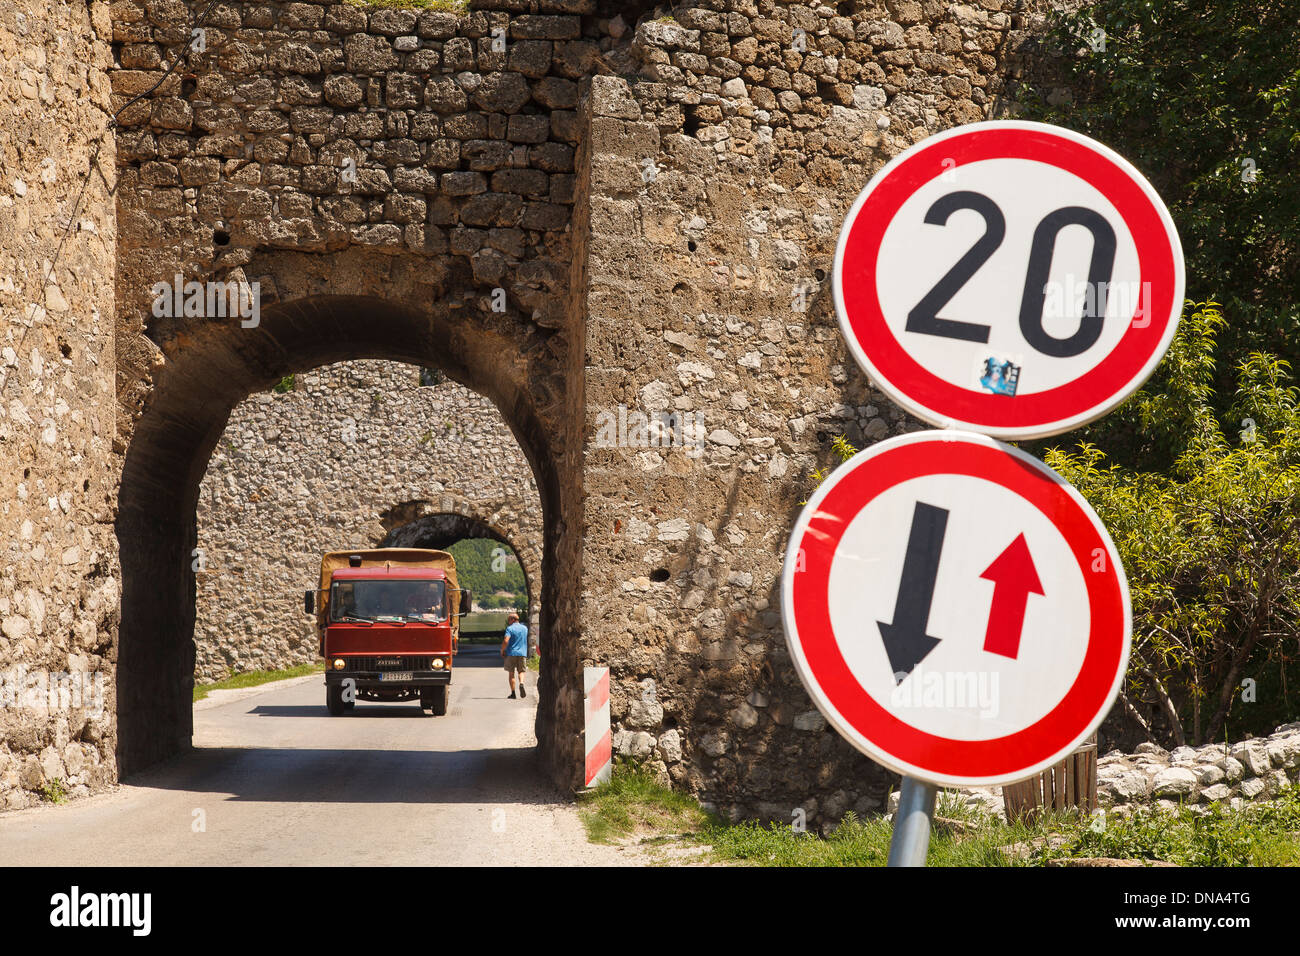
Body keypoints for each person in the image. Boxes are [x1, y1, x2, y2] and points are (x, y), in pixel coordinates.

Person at [500, 612, 529, 699]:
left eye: (509, 620)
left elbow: (506, 640)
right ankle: (521, 683)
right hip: (522, 653)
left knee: (511, 674)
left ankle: (513, 693)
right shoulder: (525, 628)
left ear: (512, 620)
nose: (508, 622)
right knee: (521, 671)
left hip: (511, 653)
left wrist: (502, 650)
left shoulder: (510, 628)